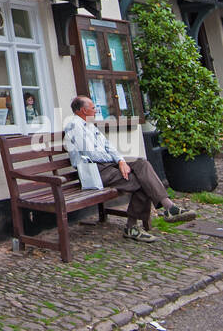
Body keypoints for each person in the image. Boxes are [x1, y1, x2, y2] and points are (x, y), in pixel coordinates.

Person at [63, 95, 195, 242]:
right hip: (95, 171)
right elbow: (91, 154)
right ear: (83, 110)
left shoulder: (89, 124)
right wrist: (119, 162)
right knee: (141, 181)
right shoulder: (74, 126)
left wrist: (120, 160)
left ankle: (168, 206)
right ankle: (133, 226)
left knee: (142, 163)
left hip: (108, 166)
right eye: (93, 108)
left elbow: (108, 146)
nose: (95, 110)